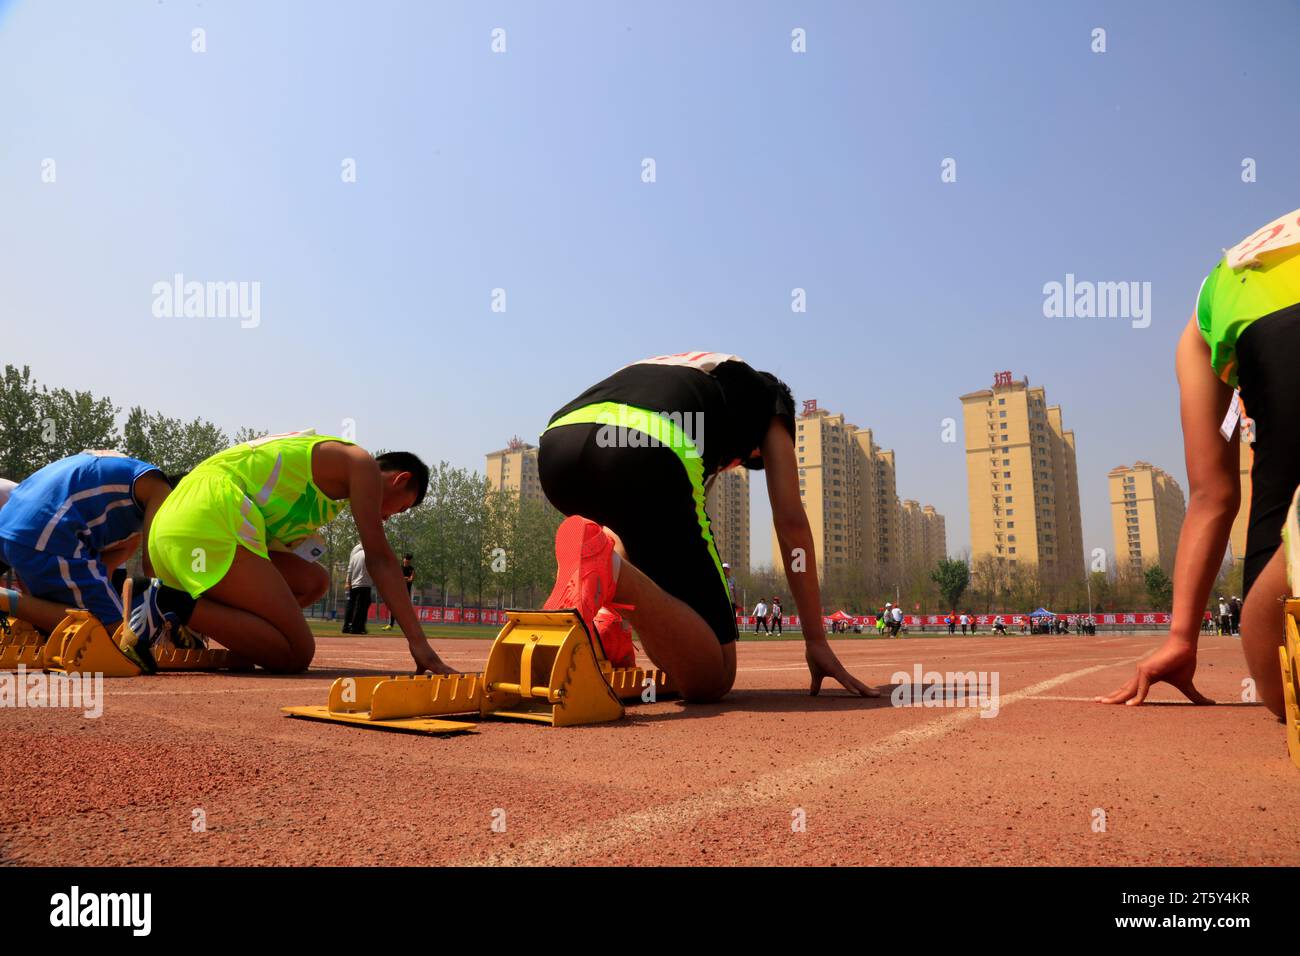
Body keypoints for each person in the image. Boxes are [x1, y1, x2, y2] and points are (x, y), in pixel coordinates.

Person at [535, 352, 876, 702]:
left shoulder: (686, 368)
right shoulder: (769, 396)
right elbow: (791, 523)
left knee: (619, 536)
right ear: (754, 453)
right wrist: (815, 639)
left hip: (558, 447)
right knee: (714, 675)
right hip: (650, 440)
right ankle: (615, 578)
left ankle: (606, 625)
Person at [1101, 208, 1300, 716]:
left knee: (1282, 684)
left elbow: (1213, 495)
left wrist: (1181, 637)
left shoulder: (1213, 292)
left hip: (1266, 335)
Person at [136, 430, 450, 674]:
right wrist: (419, 644)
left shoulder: (326, 488)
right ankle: (170, 604)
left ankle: (209, 631)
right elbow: (379, 557)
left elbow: (278, 560)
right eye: (401, 508)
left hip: (177, 522)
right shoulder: (360, 462)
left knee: (313, 581)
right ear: (400, 479)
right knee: (296, 654)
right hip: (206, 518)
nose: (389, 516)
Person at [0, 451, 178, 643]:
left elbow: (106, 568)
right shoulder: (160, 488)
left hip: (10, 525)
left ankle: (16, 606)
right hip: (45, 532)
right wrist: (179, 612)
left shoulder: (130, 487)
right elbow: (152, 567)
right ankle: (4, 599)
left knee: (87, 617)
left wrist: (105, 599)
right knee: (116, 634)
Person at [342, 542, 373, 635]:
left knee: (352, 605)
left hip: (354, 584)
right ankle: (356, 627)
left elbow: (350, 569)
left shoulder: (355, 555)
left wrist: (348, 582)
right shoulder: (368, 554)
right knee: (361, 607)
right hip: (364, 584)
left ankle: (347, 626)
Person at [384, 553, 415, 629]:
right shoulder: (399, 568)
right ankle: (390, 625)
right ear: (403, 559)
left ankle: (408, 626)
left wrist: (403, 578)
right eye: (406, 559)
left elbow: (411, 579)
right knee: (394, 608)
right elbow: (396, 578)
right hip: (398, 591)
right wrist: (405, 578)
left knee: (406, 610)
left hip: (406, 593)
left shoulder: (412, 569)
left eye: (409, 560)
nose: (407, 561)